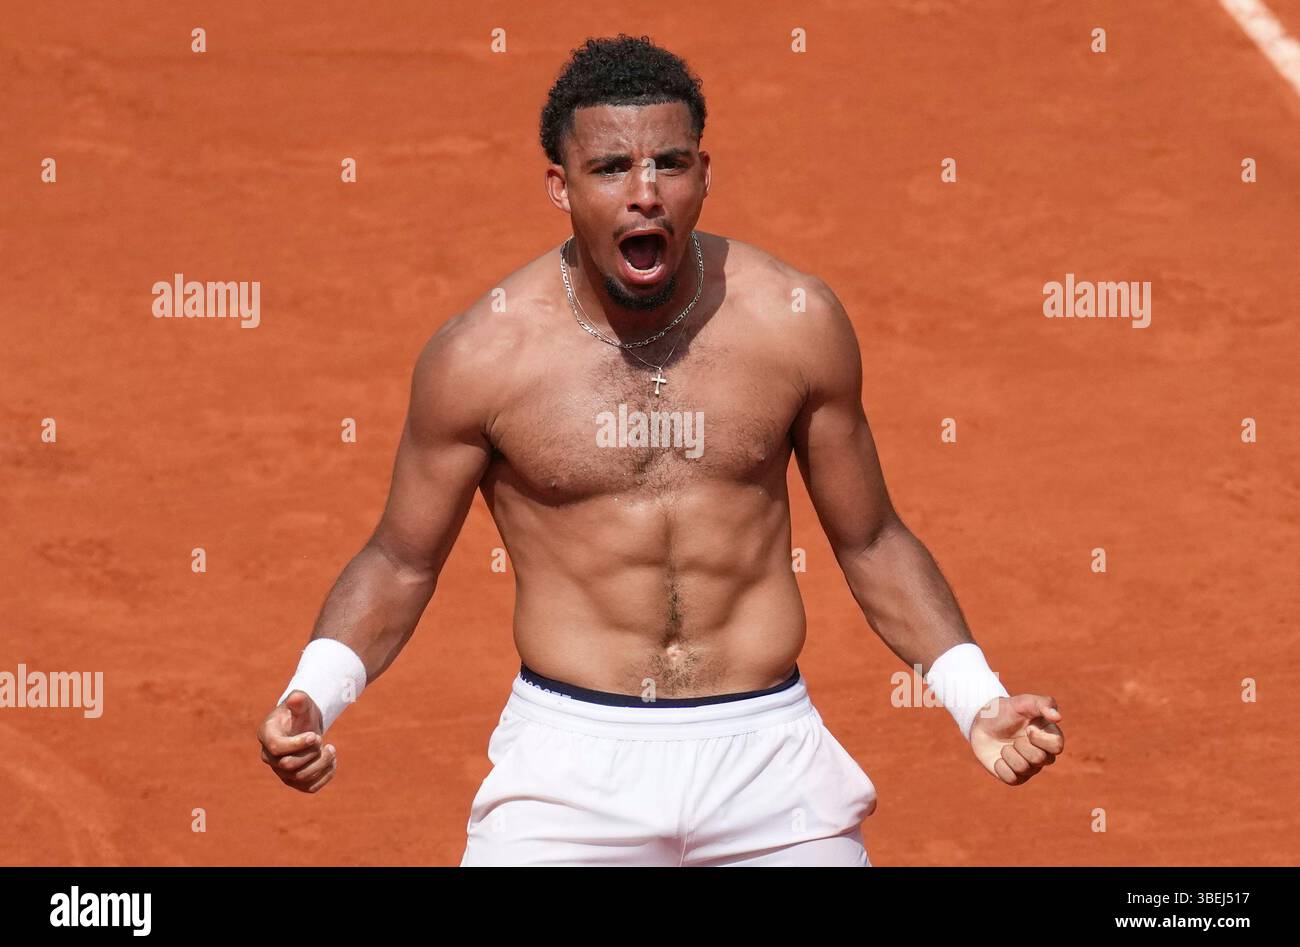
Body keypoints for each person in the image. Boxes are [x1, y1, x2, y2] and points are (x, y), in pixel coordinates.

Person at [255, 34, 1065, 866]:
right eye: (610, 169)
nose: (646, 195)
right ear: (558, 185)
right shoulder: (482, 358)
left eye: (669, 164)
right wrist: (313, 696)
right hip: (567, 773)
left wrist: (978, 700)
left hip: (770, 766)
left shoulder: (793, 322)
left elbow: (871, 539)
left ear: (704, 175)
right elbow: (399, 561)